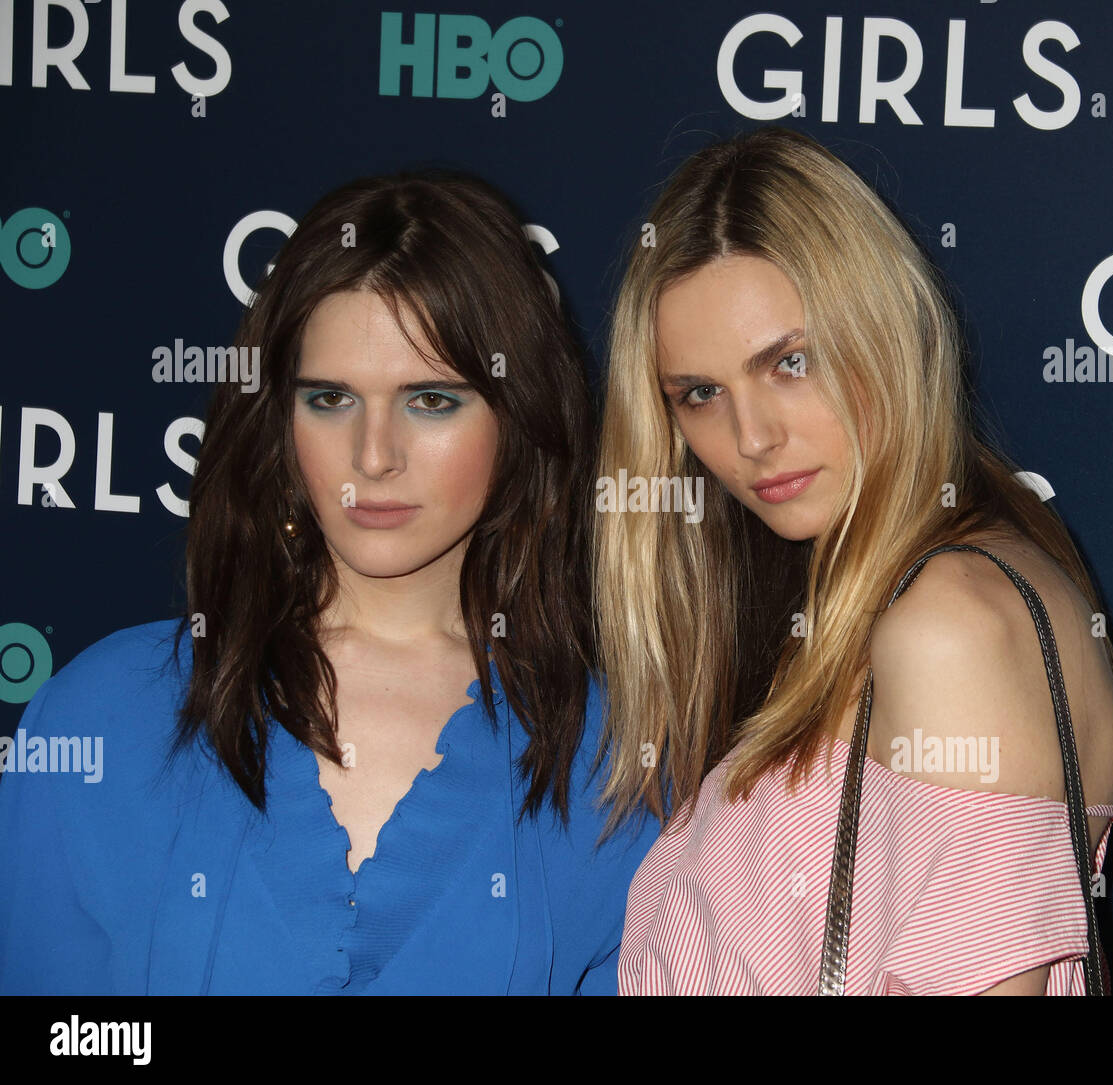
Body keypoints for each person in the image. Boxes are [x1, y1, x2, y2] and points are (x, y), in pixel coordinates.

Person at [0, 169, 658, 994]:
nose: (373, 456)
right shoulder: (104, 714)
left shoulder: (617, 760)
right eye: (331, 398)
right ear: (278, 421)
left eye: (430, 400)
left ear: (518, 416)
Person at [595, 127, 1113, 995]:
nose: (751, 438)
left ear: (885, 330)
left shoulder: (949, 625)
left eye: (791, 362)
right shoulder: (884, 591)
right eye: (701, 394)